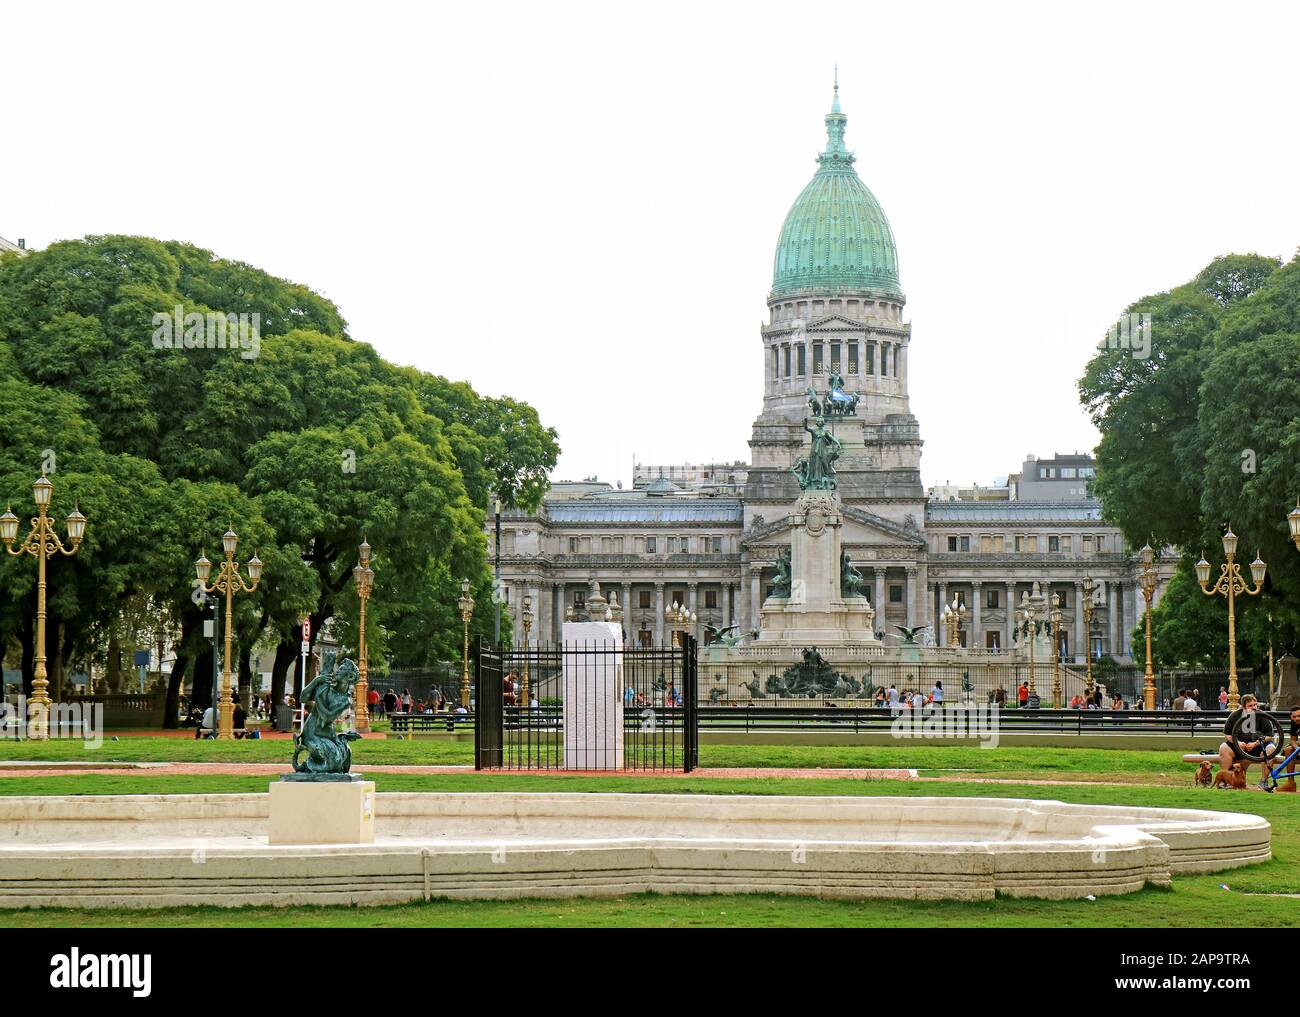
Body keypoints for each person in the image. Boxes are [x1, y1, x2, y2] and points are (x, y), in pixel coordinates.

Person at [1219, 694, 1278, 790]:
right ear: (1243, 707)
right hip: (1239, 746)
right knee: (1223, 748)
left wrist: (1256, 743)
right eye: (1250, 706)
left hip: (1259, 746)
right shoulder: (1234, 715)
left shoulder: (1262, 715)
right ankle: (1227, 781)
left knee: (1271, 749)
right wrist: (1237, 742)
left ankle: (1263, 781)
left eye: (1255, 705)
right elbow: (1227, 734)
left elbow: (1269, 736)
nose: (1254, 707)